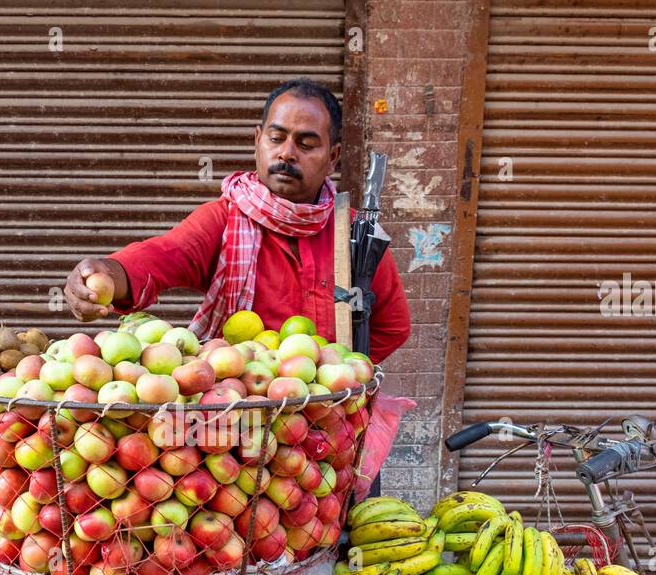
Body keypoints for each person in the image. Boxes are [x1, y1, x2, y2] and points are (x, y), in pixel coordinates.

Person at [63, 77, 411, 364]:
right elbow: (162, 256)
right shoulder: (224, 219)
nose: (286, 153)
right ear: (257, 140)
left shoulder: (354, 234)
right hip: (238, 412)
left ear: (332, 157)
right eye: (276, 138)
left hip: (327, 418)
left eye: (306, 144)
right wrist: (108, 273)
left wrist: (335, 371)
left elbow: (393, 326)